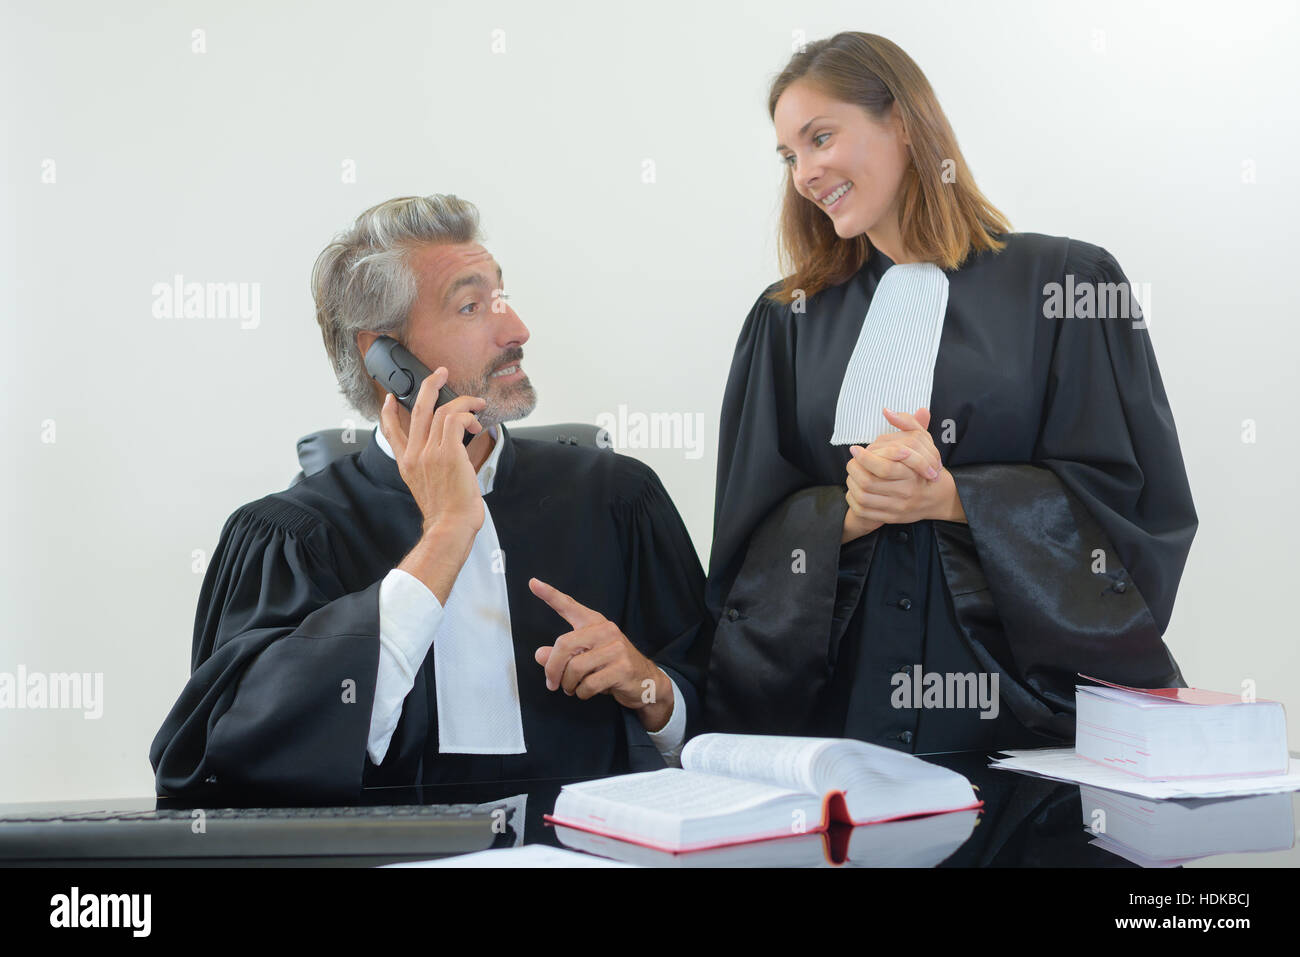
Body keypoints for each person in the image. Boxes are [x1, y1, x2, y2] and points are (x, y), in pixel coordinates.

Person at [704, 33, 1197, 753]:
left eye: (821, 138)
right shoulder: (788, 319)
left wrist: (952, 496)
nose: (806, 173)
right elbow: (745, 545)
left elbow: (1135, 508)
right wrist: (845, 511)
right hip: (841, 722)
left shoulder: (1066, 285)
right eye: (789, 156)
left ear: (902, 122)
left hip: (1022, 719)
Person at [150, 195, 708, 801]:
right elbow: (222, 761)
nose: (517, 331)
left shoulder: (618, 500)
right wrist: (445, 533)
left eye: (501, 298)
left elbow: (738, 732)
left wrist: (652, 691)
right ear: (384, 358)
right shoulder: (289, 535)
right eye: (471, 307)